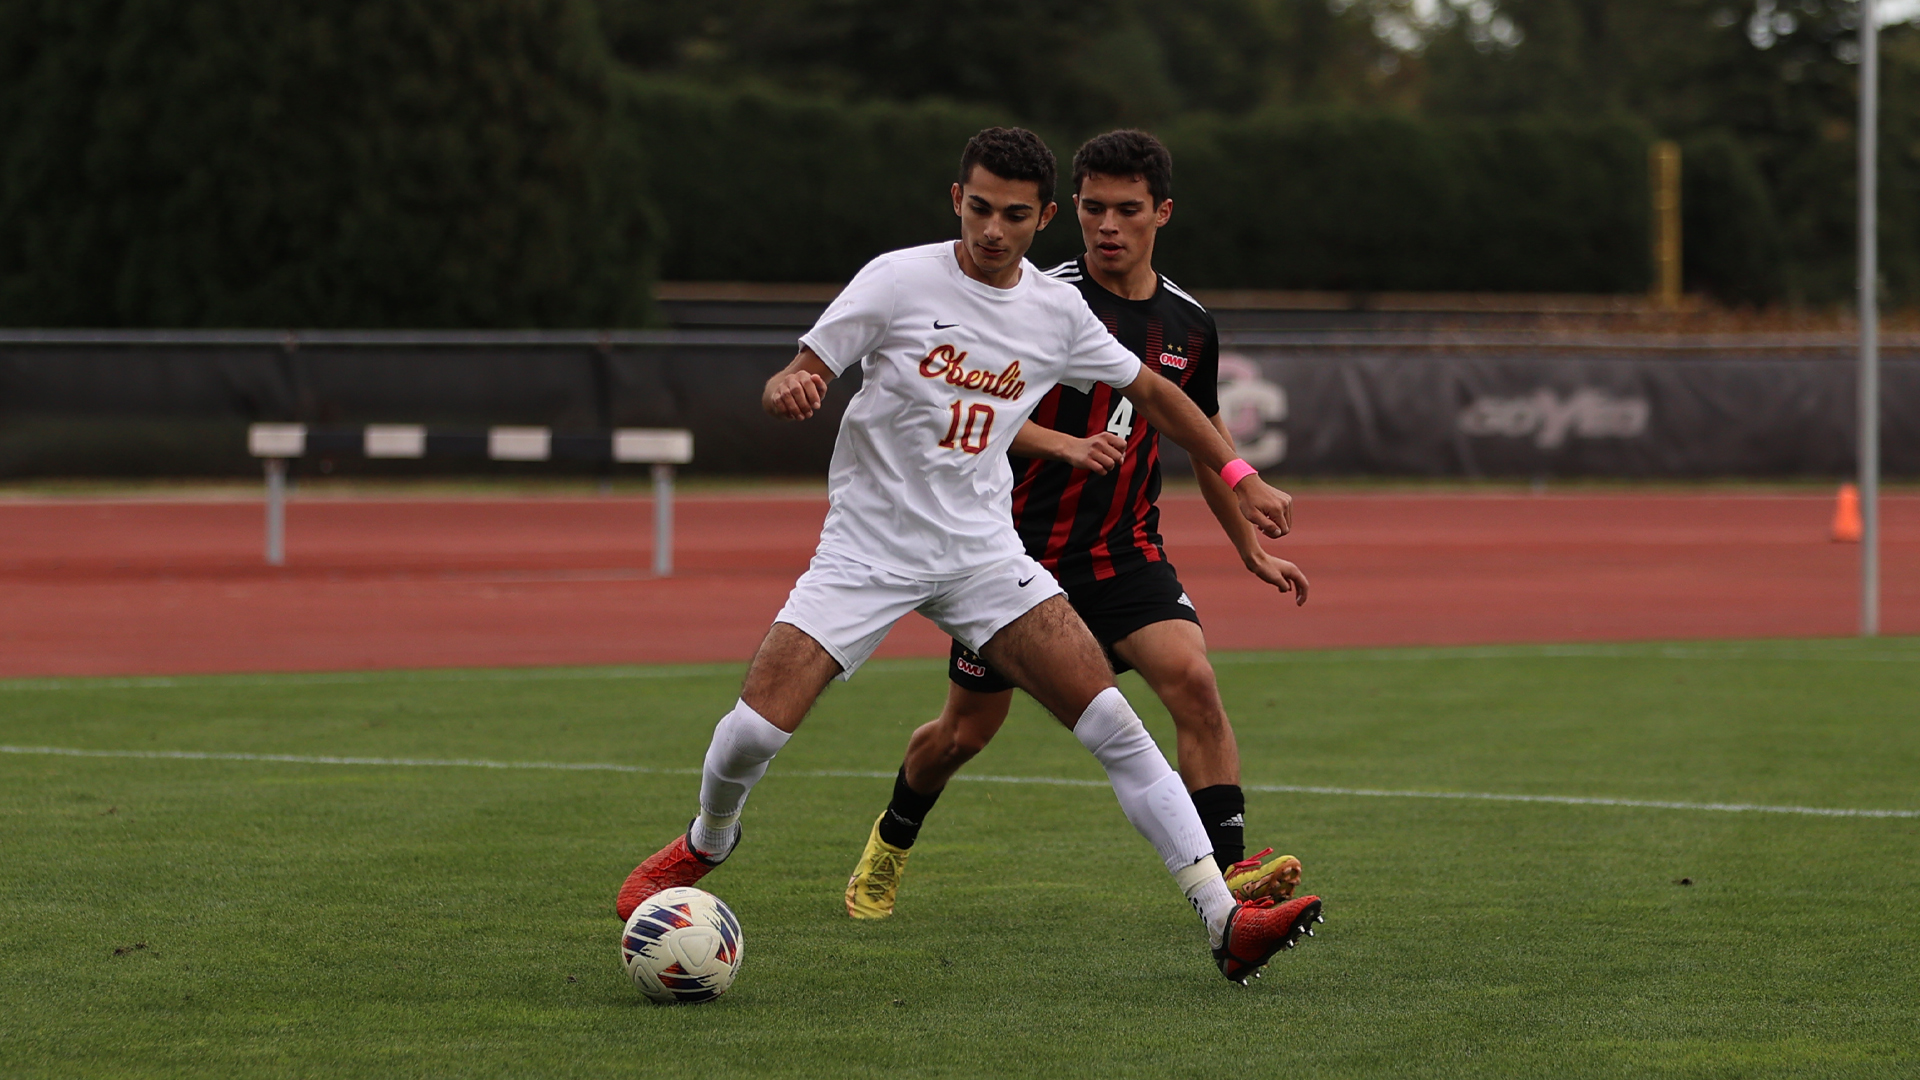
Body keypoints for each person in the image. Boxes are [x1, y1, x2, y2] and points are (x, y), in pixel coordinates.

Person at [615, 127, 1322, 984]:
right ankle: (707, 840)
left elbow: (1159, 394)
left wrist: (1239, 474)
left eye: (1014, 216)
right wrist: (792, 386)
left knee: (1119, 730)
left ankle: (1226, 921)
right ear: (958, 199)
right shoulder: (897, 278)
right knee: (754, 732)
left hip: (986, 554)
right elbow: (797, 372)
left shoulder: (1057, 311)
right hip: (867, 551)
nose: (992, 230)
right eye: (979, 208)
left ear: (1040, 218)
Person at [843, 129, 1312, 924]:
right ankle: (891, 839)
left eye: (1128, 210)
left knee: (1194, 684)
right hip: (1009, 557)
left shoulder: (1189, 326)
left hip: (1124, 551)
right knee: (961, 735)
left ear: (1162, 212)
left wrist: (1248, 544)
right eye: (1093, 208)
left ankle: (1231, 879)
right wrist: (1057, 443)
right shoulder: (1034, 300)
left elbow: (1201, 433)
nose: (1108, 226)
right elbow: (971, 410)